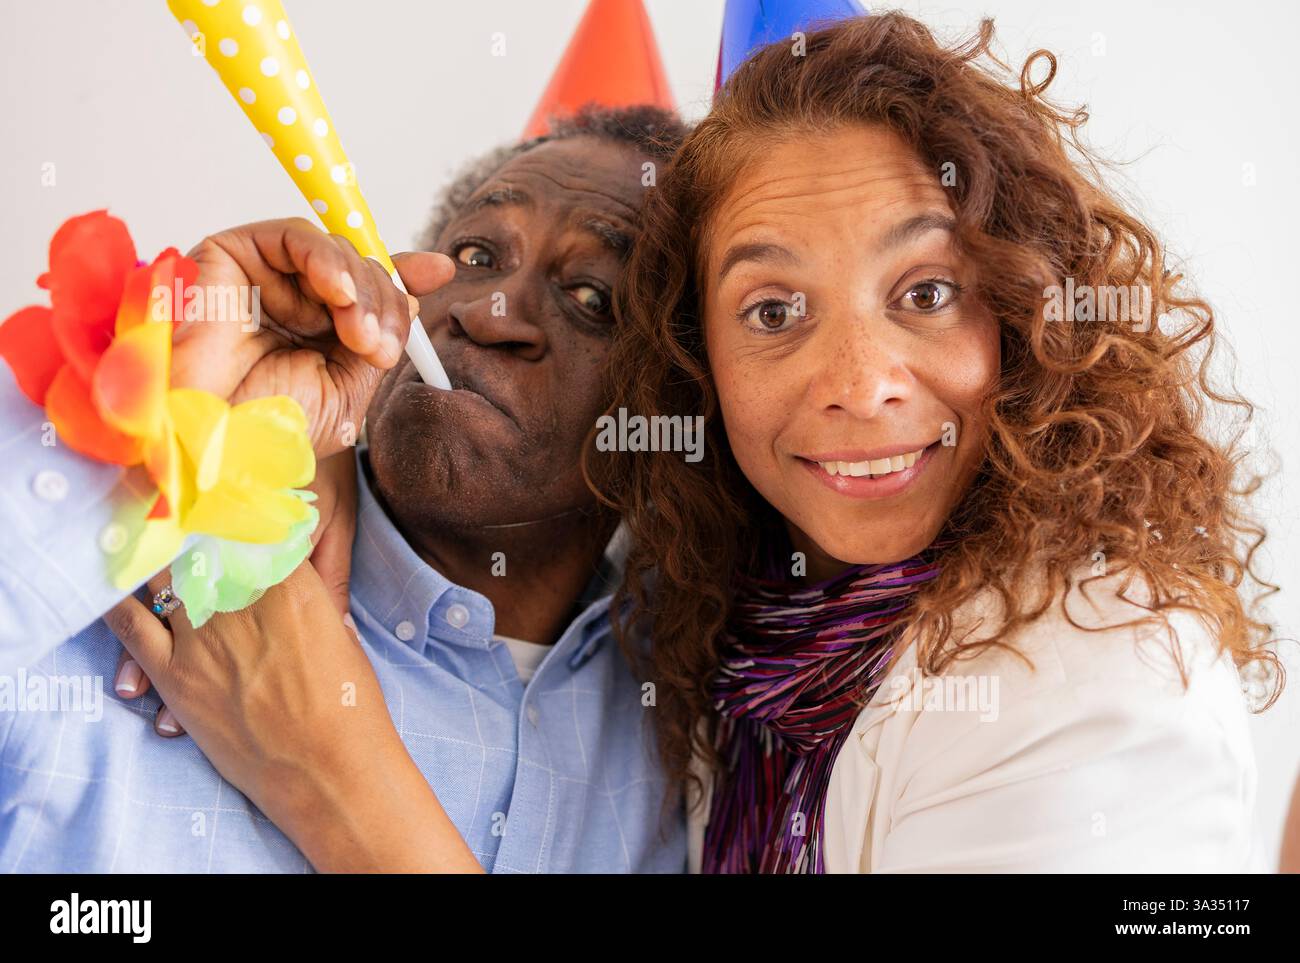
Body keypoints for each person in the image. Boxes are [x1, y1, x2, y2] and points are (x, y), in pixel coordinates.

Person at [584, 13, 1280, 872]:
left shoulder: (1096, 680)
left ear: (1024, 316)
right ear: (697, 358)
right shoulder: (731, 630)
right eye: (773, 311)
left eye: (924, 293)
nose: (859, 382)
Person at [0, 105, 691, 873]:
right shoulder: (146, 574)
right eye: (475, 253)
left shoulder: (699, 733)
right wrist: (169, 410)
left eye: (593, 298)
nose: (487, 315)